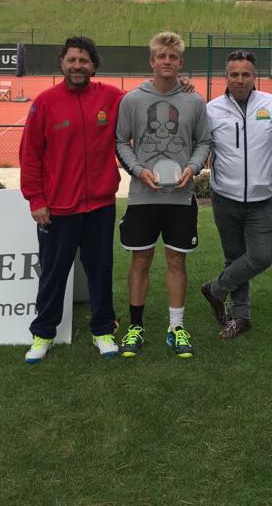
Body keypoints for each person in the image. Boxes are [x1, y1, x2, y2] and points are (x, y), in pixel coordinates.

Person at [19, 36, 122, 363]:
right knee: (52, 273)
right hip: (58, 210)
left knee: (100, 271)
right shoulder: (45, 102)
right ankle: (43, 334)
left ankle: (103, 329)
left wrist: (181, 89)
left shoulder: (111, 97)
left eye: (84, 61)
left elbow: (148, 103)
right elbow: (30, 154)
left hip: (100, 206)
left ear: (94, 65)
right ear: (62, 62)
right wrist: (36, 198)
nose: (78, 66)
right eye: (72, 60)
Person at [115, 32, 211, 358]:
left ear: (180, 63)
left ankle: (176, 327)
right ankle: (136, 326)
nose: (167, 61)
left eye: (173, 57)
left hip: (180, 198)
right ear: (152, 61)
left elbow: (204, 142)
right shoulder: (132, 100)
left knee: (176, 260)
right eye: (161, 56)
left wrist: (194, 167)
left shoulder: (194, 101)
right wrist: (138, 170)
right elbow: (120, 142)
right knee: (140, 259)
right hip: (143, 195)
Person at [200, 50, 272, 340]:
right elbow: (202, 147)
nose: (240, 79)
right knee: (234, 257)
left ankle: (215, 289)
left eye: (246, 74)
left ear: (254, 77)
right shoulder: (212, 109)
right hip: (225, 197)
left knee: (261, 257)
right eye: (234, 74)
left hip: (262, 199)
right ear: (226, 77)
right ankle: (241, 317)